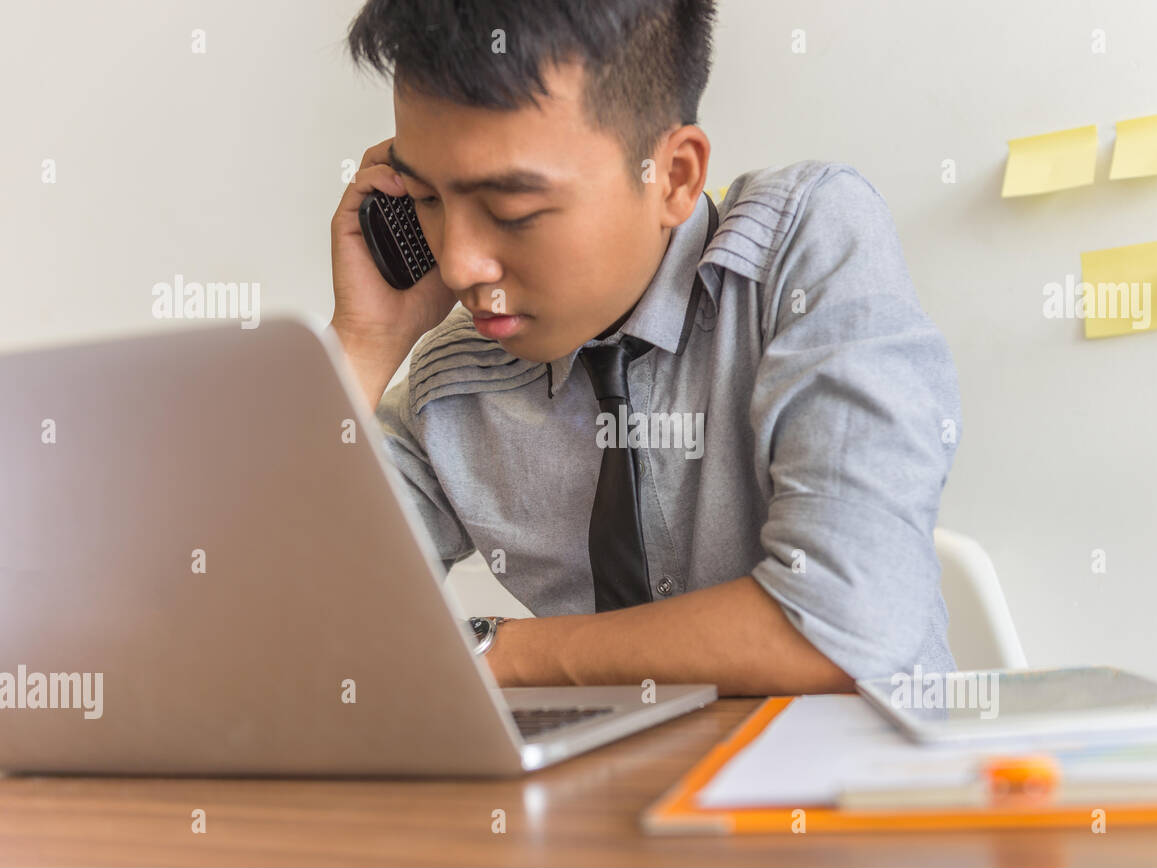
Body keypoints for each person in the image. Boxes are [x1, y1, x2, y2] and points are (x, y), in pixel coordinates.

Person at [328, 0, 962, 696]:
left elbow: (846, 621)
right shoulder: (453, 377)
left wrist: (505, 652)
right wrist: (366, 342)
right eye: (426, 201)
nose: (458, 265)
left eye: (512, 211)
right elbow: (270, 615)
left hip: (864, 787)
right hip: (613, 794)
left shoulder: (805, 244)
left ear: (676, 176)